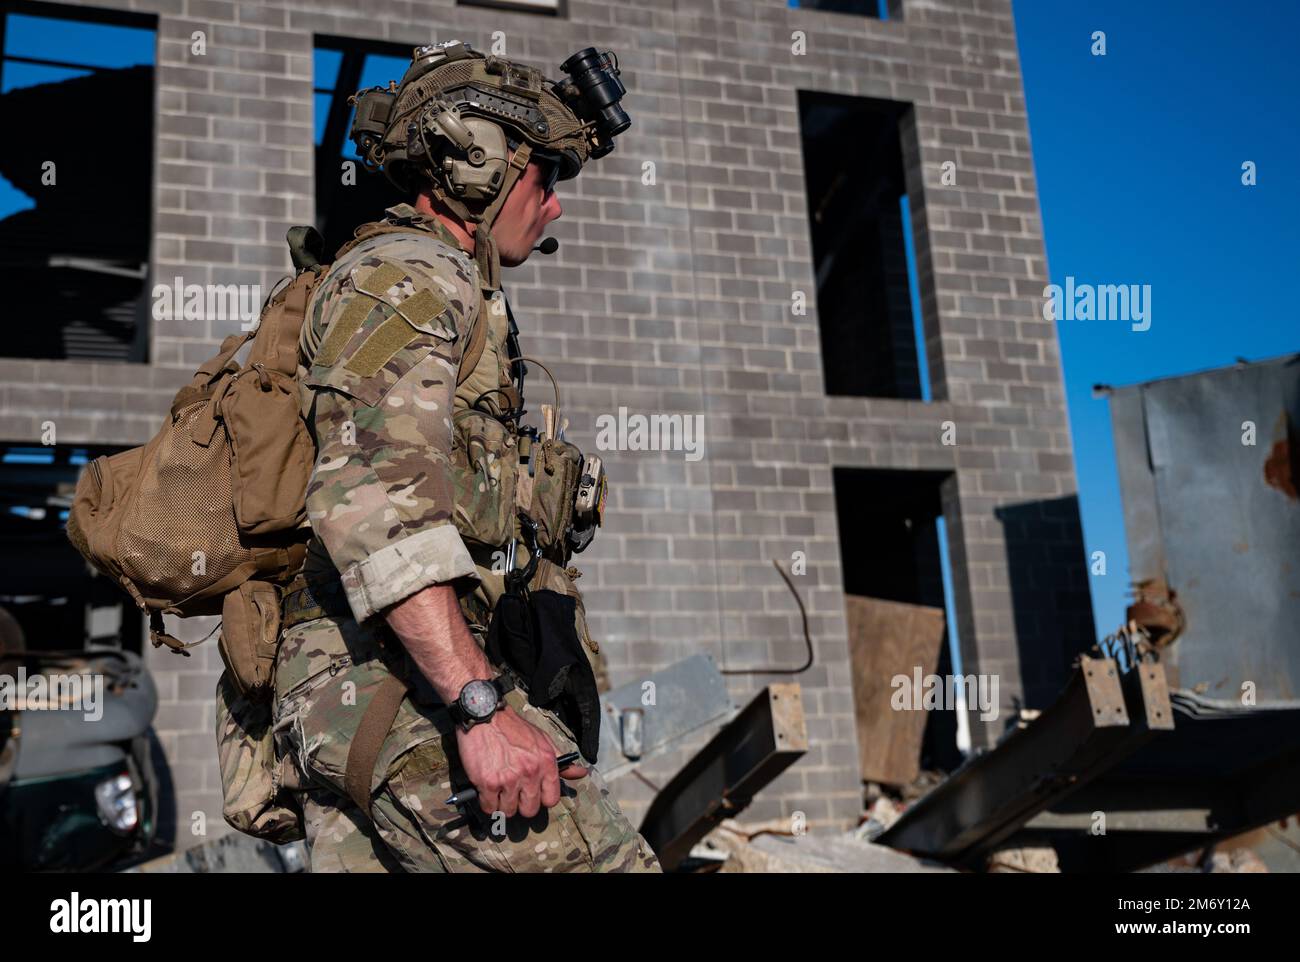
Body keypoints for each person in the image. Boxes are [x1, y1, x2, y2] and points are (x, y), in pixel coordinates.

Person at [270, 40, 659, 873]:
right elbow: (374, 500)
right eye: (545, 177)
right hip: (385, 678)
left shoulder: (440, 281)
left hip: (375, 678)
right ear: (480, 165)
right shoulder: (408, 279)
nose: (555, 205)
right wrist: (480, 707)